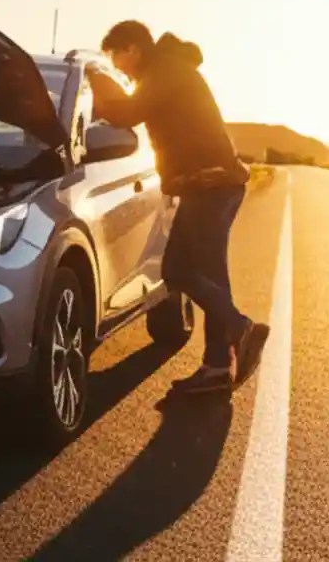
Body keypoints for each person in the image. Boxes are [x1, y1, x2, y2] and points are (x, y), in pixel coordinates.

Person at [86, 20, 268, 396]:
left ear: (133, 48)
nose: (118, 66)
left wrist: (94, 80)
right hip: (208, 184)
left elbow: (127, 113)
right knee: (208, 276)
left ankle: (239, 329)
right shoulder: (168, 69)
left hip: (211, 184)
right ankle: (218, 366)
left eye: (117, 57)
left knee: (177, 270)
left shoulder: (165, 70)